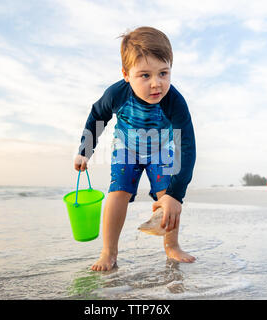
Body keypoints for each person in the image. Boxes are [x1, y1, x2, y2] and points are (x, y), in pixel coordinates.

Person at [74, 26, 196, 271]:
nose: (156, 84)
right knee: (118, 192)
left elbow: (187, 146)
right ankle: (109, 252)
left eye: (163, 73)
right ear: (126, 74)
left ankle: (171, 246)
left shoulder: (175, 101)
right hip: (126, 148)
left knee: (166, 195)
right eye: (145, 75)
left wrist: (176, 195)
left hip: (161, 148)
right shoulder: (117, 93)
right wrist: (85, 150)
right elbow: (98, 116)